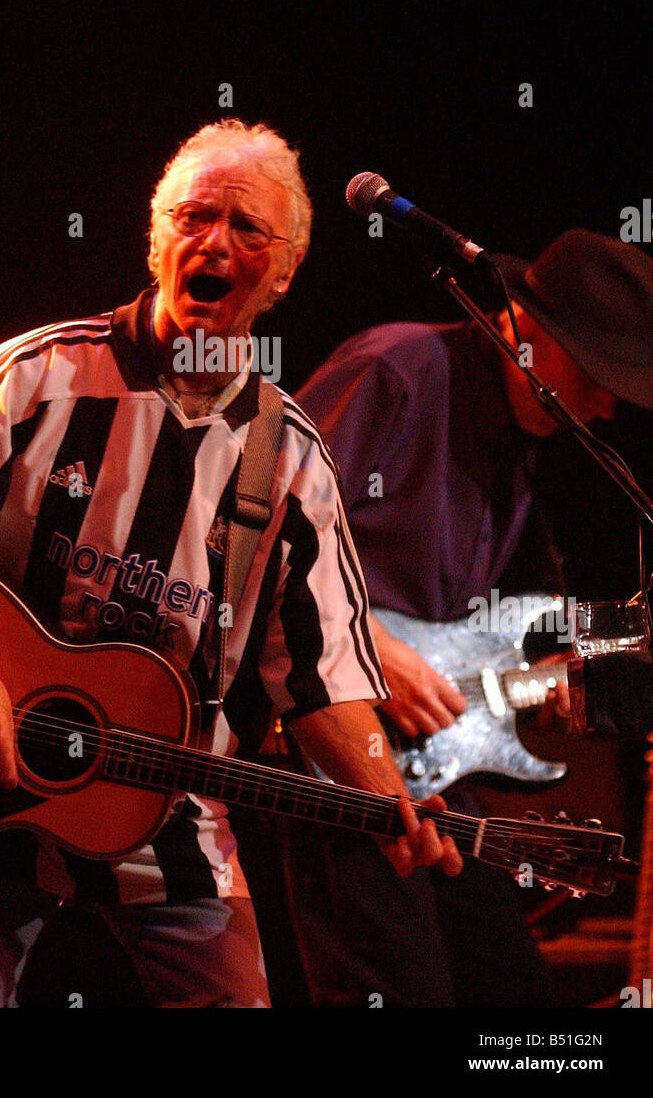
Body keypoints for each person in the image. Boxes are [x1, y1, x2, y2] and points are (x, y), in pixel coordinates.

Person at [0, 118, 460, 1009]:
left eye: (249, 231)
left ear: (281, 274)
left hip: (170, 814)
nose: (216, 243)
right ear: (157, 240)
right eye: (195, 218)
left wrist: (389, 800)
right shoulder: (39, 376)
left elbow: (323, 680)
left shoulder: (292, 461)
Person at [248, 228, 653, 1007]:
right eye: (599, 373)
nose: (606, 405)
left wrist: (556, 689)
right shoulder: (394, 371)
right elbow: (253, 538)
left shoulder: (521, 452)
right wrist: (364, 644)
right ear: (522, 330)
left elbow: (458, 644)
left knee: (515, 998)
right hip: (322, 745)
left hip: (424, 772)